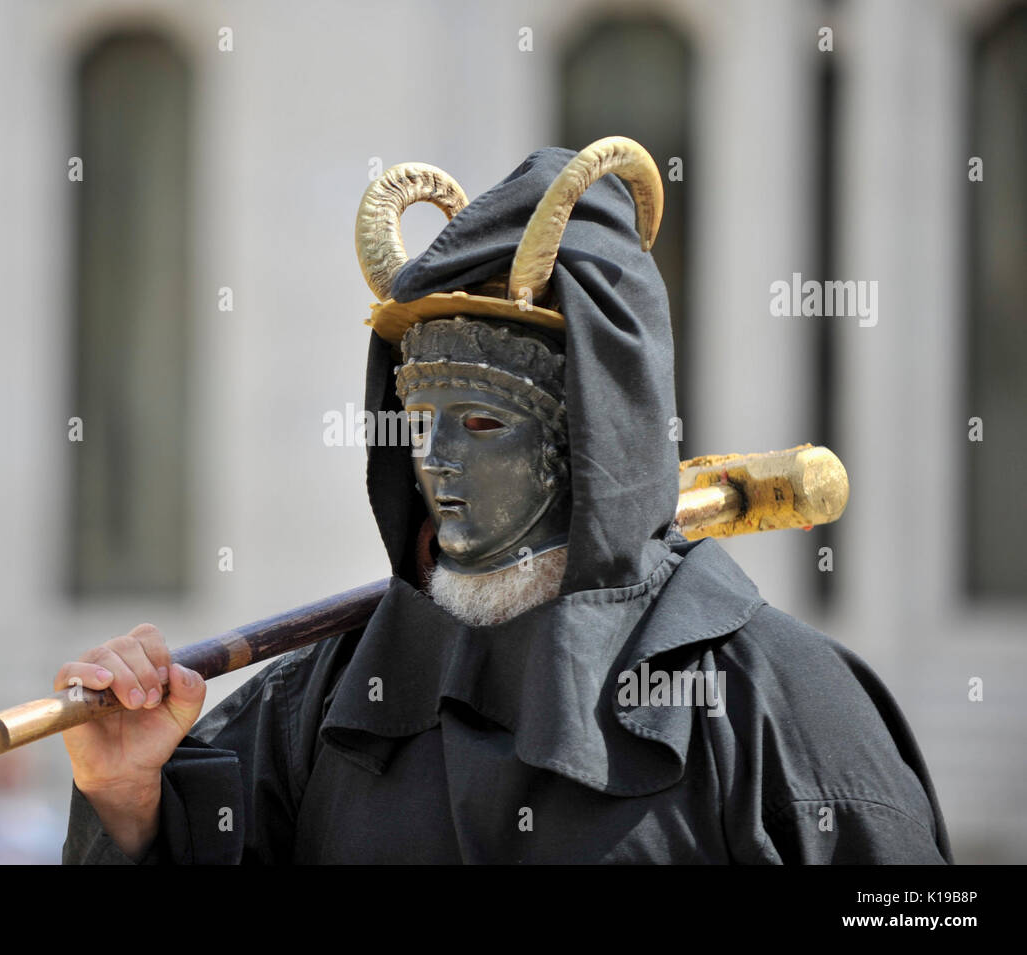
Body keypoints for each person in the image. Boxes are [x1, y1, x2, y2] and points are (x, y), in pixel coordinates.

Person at [59, 139, 953, 864]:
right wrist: (131, 803)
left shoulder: (780, 704)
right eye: (422, 423)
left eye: (483, 423)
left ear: (594, 436)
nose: (436, 463)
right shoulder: (327, 701)